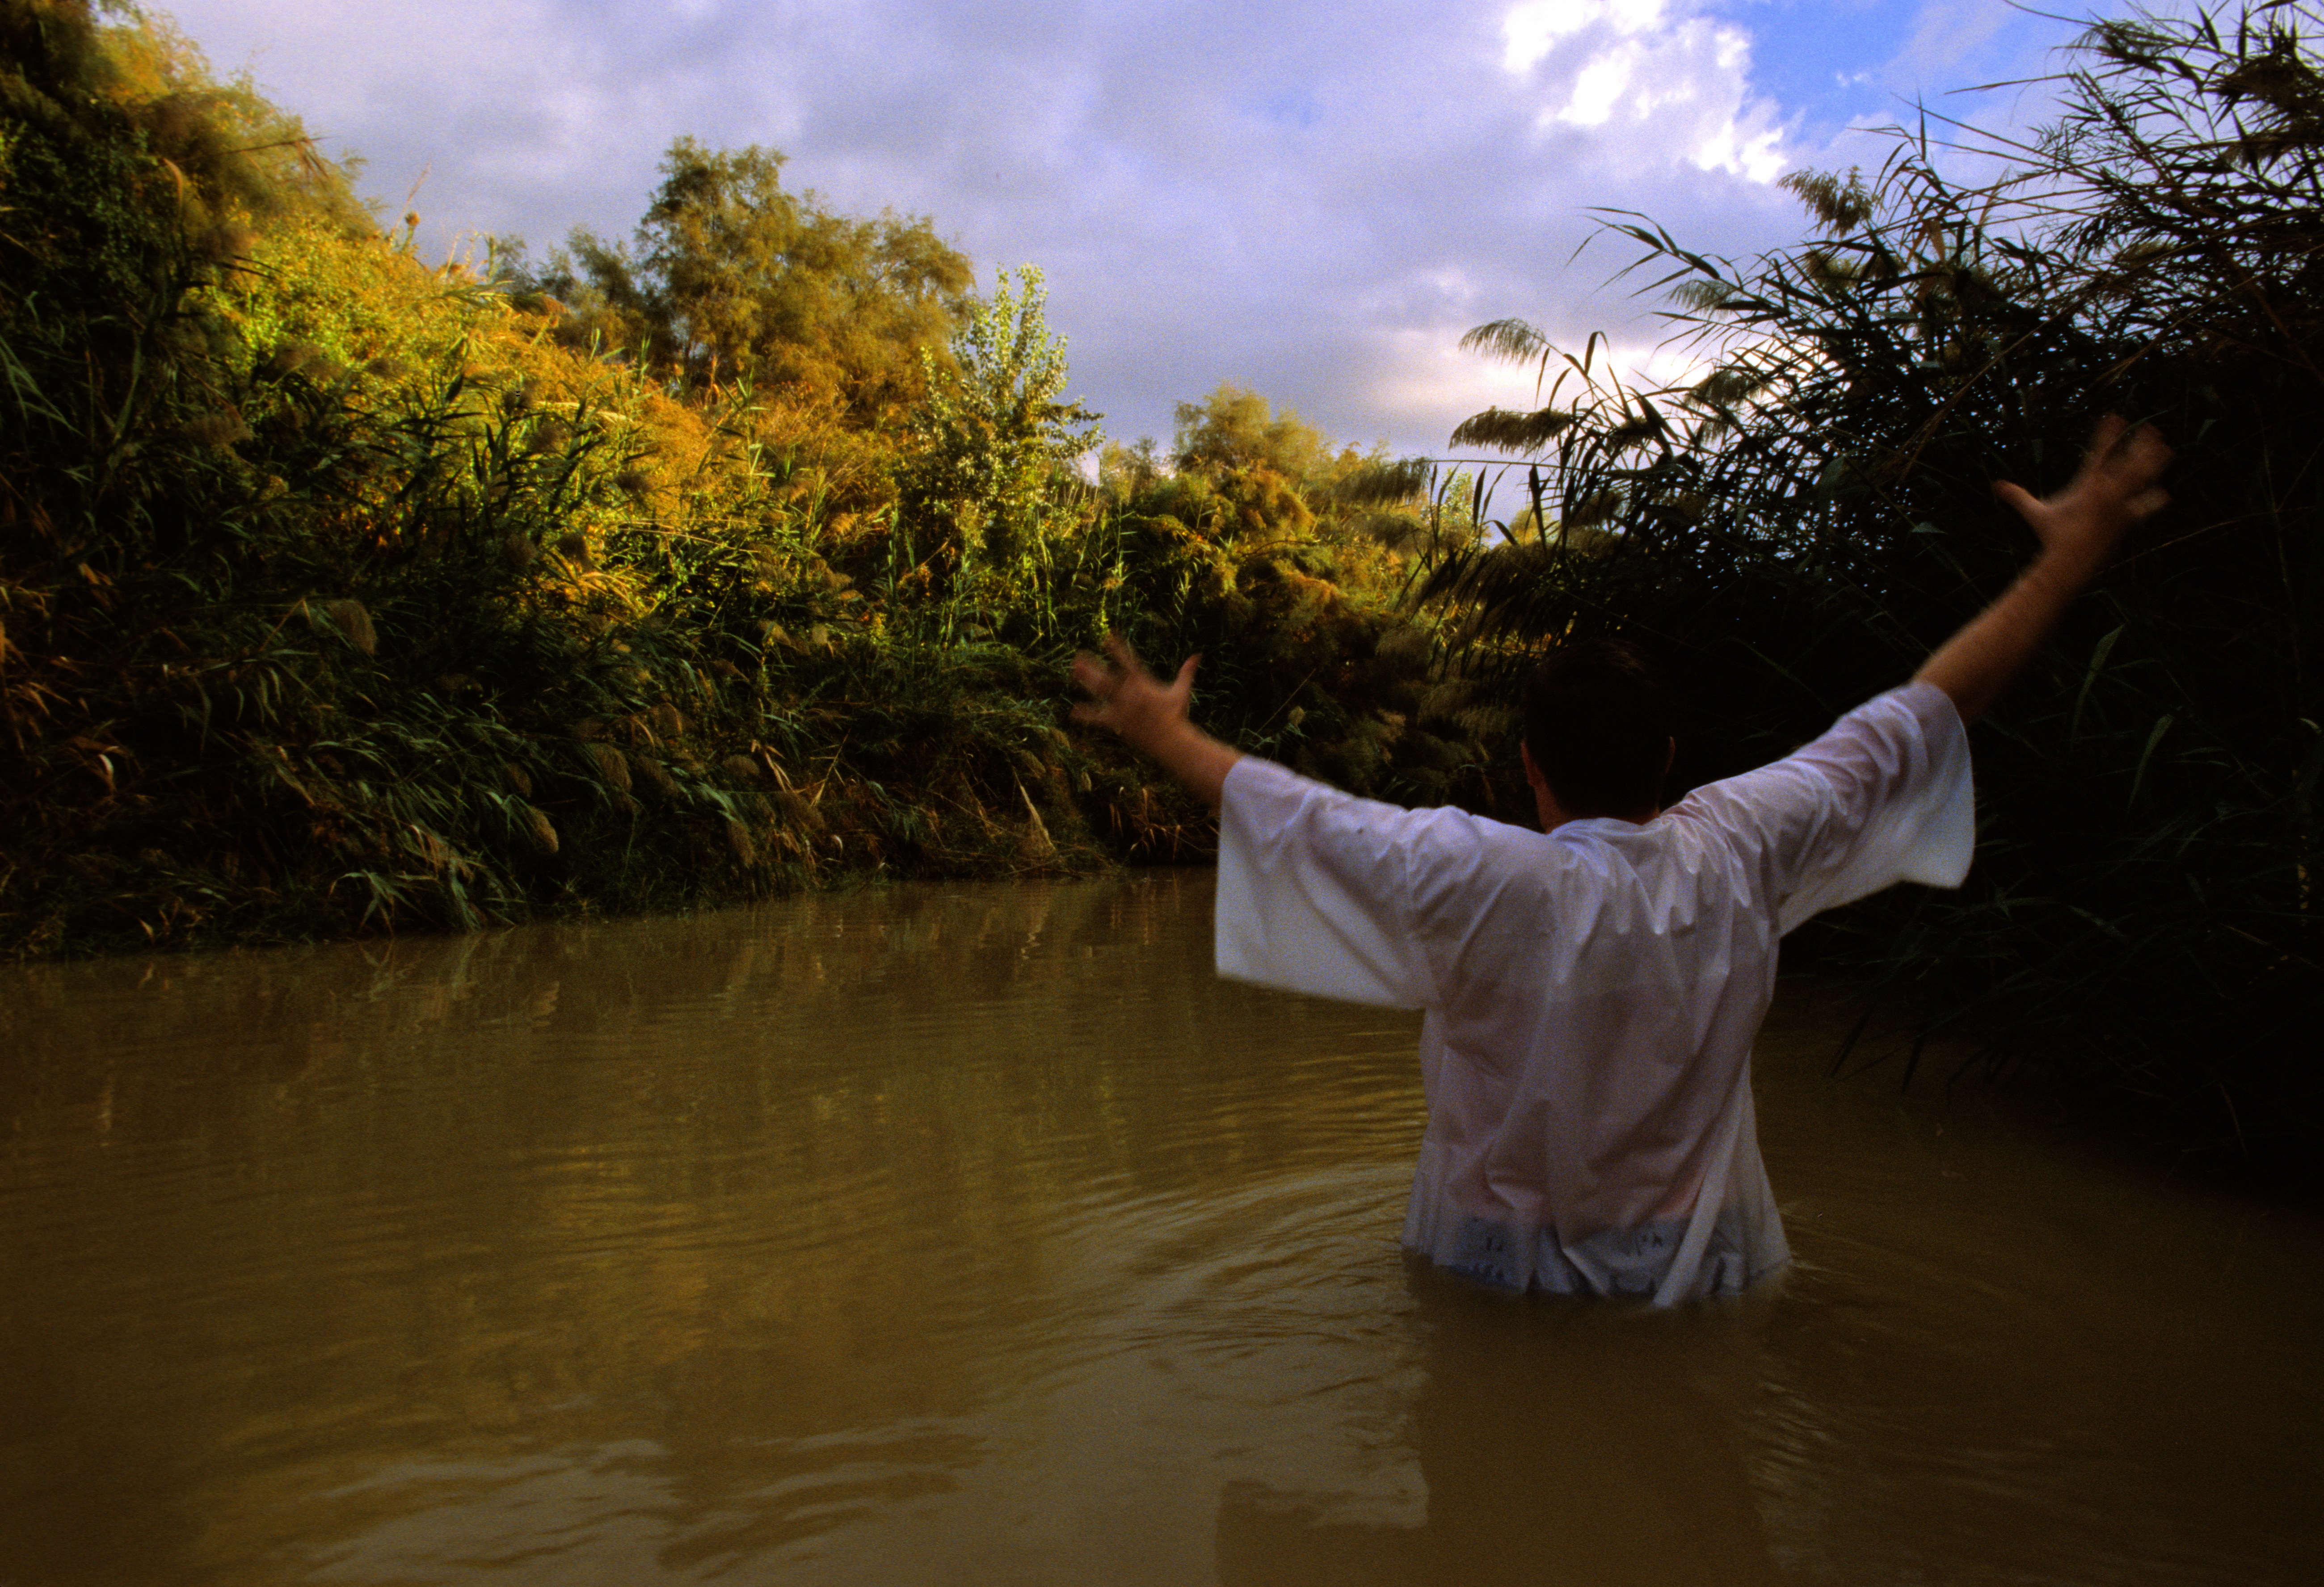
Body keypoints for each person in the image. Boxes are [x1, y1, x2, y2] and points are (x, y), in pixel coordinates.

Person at [1071, 418, 2172, 1304]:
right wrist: (2067, 561)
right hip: (1698, 1267)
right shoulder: (1741, 848)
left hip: (1489, 1269)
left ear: (1525, 767)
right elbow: (1925, 710)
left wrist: (1163, 733)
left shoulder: (1471, 876)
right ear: (1669, 760)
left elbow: (1304, 817)